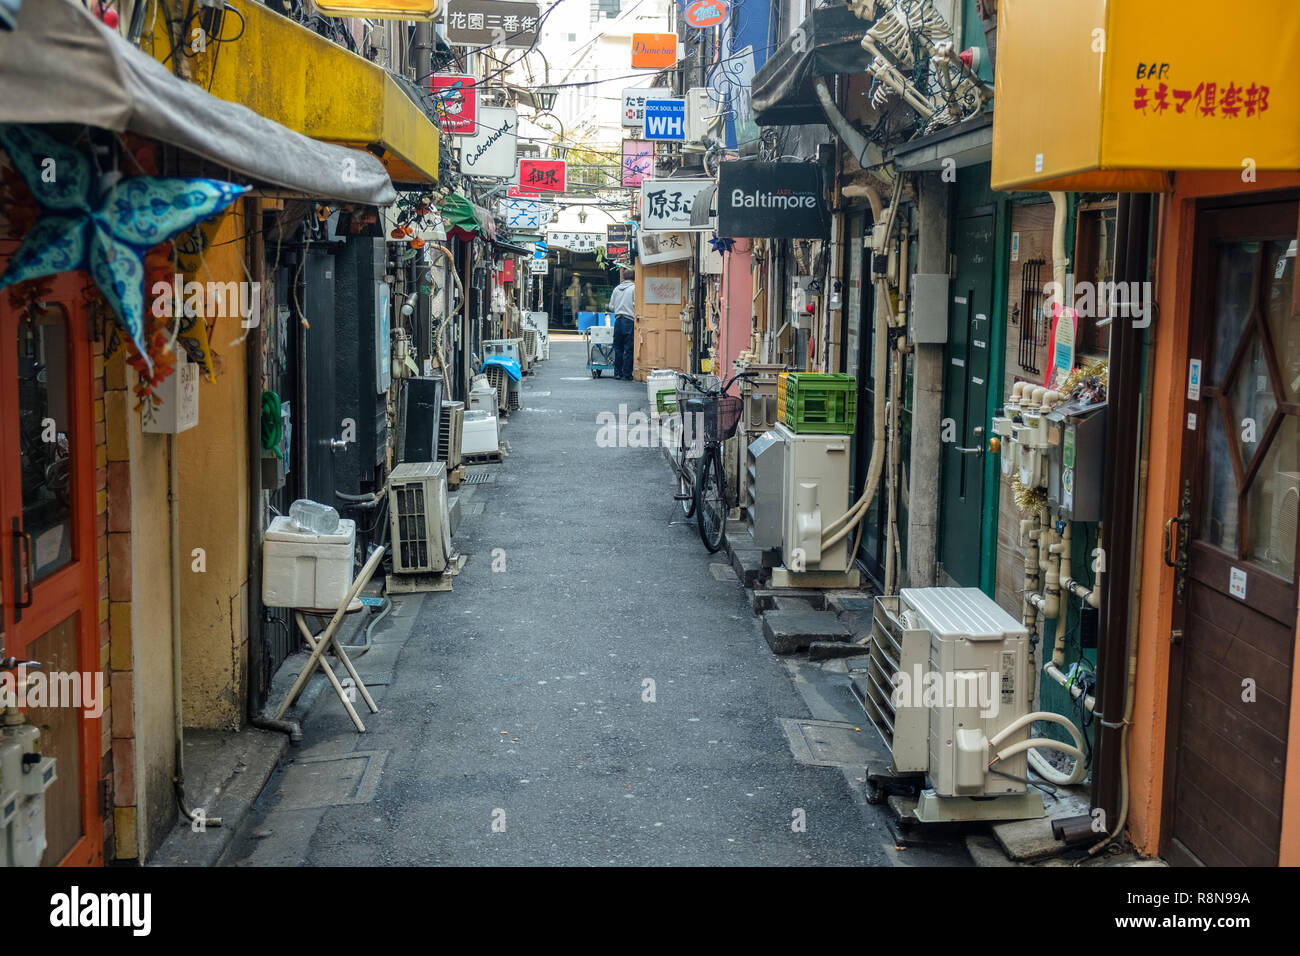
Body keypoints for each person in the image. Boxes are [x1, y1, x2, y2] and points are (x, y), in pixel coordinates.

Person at [609, 267, 636, 381]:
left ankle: (617, 373)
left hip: (618, 320)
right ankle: (627, 373)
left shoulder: (616, 289)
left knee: (618, 348)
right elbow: (636, 304)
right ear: (634, 278)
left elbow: (611, 306)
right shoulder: (634, 288)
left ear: (624, 277)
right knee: (629, 349)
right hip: (629, 320)